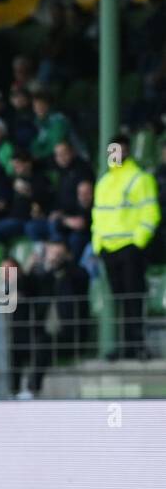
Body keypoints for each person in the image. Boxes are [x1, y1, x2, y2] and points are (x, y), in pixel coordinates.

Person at [92, 135, 161, 360]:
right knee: (120, 300)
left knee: (134, 298)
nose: (115, 155)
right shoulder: (103, 182)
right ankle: (125, 346)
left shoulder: (140, 179)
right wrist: (98, 244)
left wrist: (137, 242)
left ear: (127, 152)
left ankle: (137, 345)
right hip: (109, 249)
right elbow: (98, 215)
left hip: (129, 247)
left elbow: (151, 213)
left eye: (119, 150)